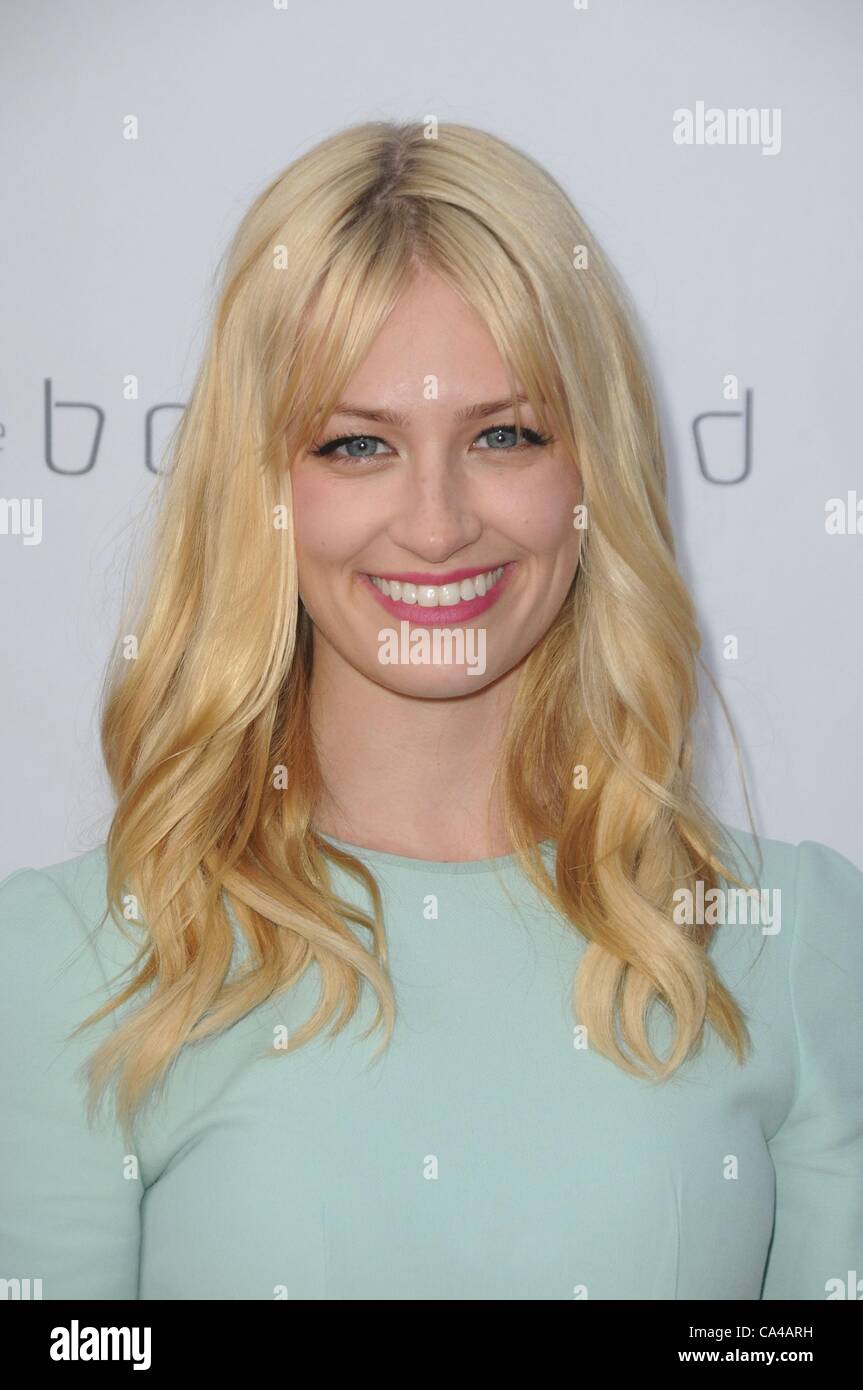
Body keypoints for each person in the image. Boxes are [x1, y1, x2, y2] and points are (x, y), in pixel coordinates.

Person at [1, 120, 861, 1302]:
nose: (438, 521)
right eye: (356, 445)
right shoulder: (64, 961)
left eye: (502, 435)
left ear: (590, 470)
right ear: (261, 488)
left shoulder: (795, 938)